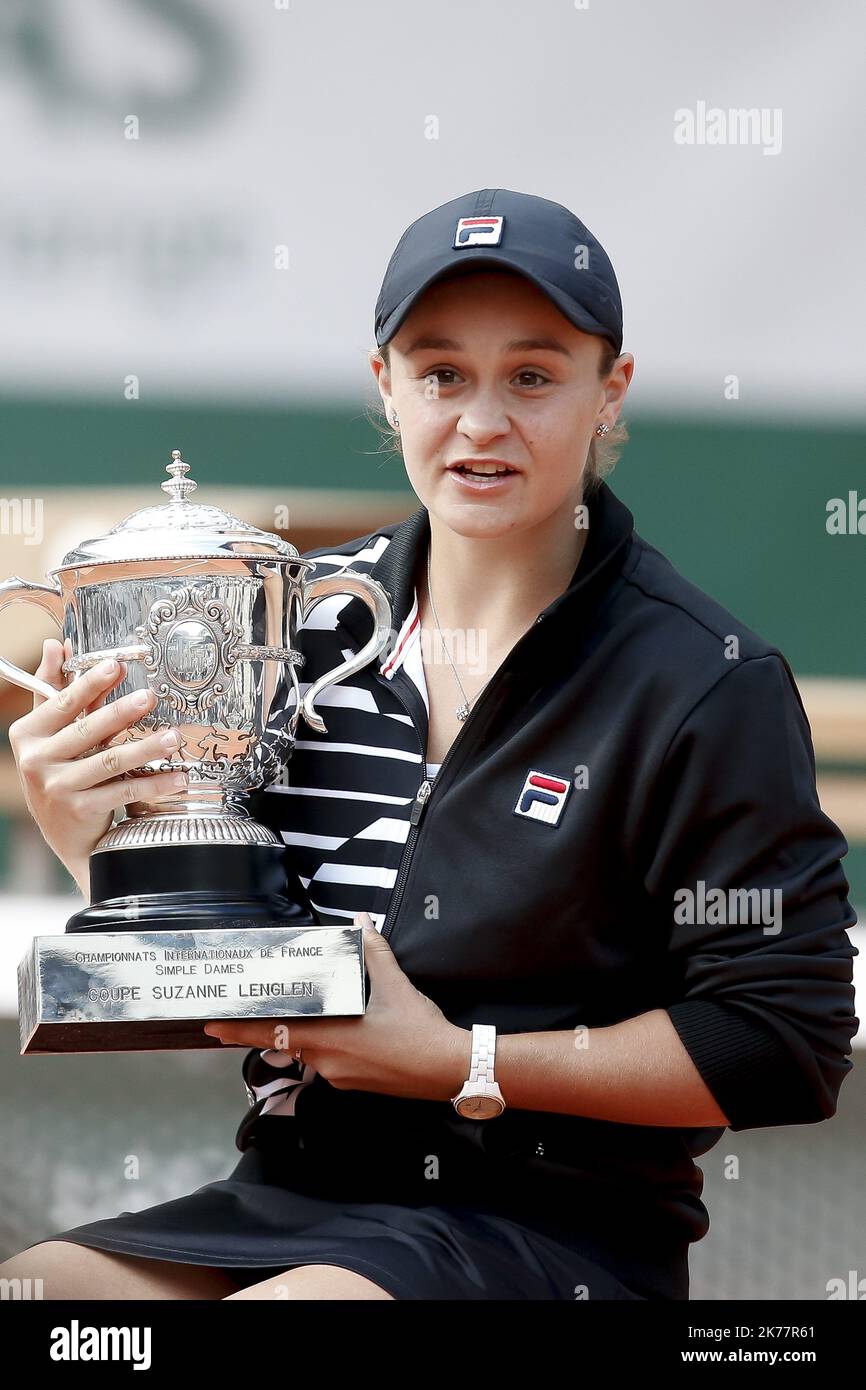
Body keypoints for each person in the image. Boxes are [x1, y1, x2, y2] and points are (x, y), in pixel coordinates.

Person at [1, 188, 858, 1302]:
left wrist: (464, 1062)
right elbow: (244, 990)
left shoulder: (702, 680)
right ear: (386, 390)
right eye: (442, 373)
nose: (482, 420)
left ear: (612, 392)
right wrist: (109, 859)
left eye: (533, 377)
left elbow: (780, 1041)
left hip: (557, 1232)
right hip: (289, 1199)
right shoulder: (293, 628)